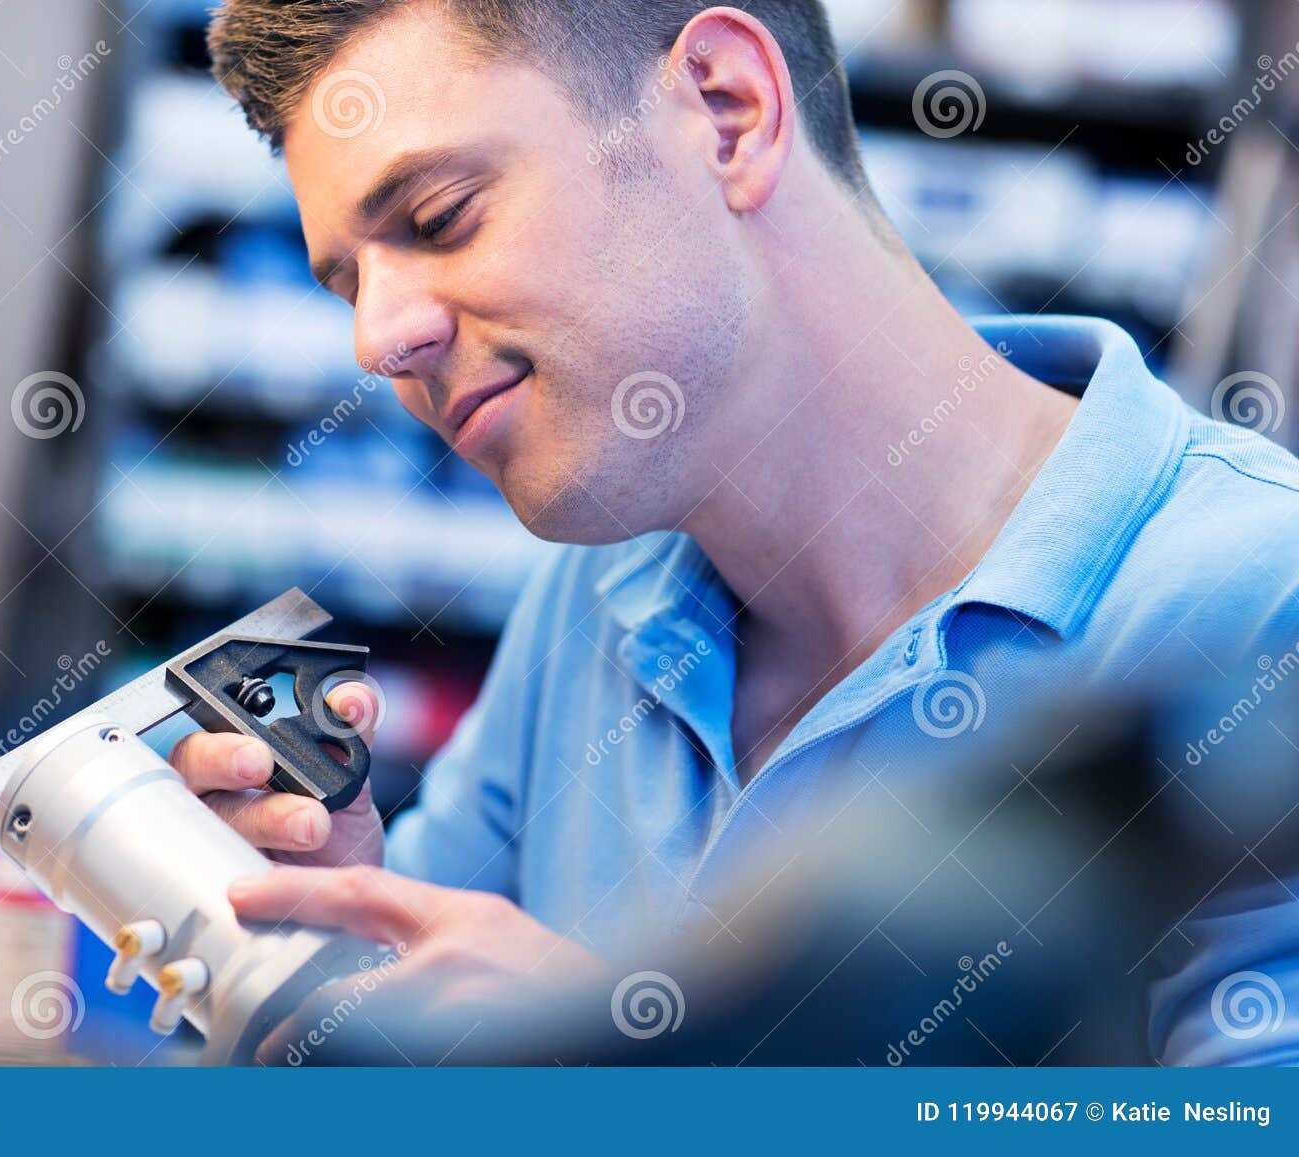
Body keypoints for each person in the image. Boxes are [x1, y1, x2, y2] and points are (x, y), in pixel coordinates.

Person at [167, 0, 1299, 1064]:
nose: (379, 338)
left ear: (724, 110)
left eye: (437, 218)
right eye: (345, 282)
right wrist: (332, 923)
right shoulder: (602, 594)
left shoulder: (1256, 603)